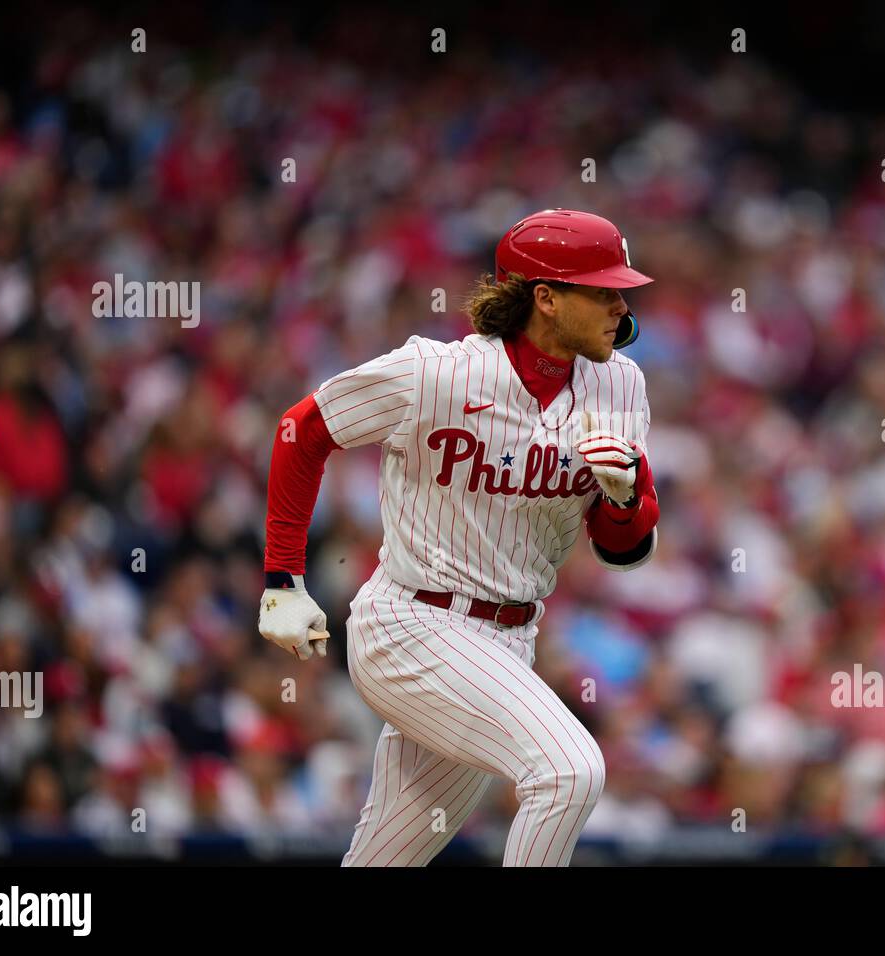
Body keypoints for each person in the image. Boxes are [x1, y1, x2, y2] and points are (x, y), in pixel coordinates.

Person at [257, 208, 661, 866]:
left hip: (508, 645)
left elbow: (624, 549)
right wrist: (283, 578)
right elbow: (301, 430)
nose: (622, 306)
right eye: (603, 291)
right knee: (570, 771)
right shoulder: (436, 373)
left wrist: (624, 498)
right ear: (546, 298)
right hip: (410, 626)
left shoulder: (620, 383)